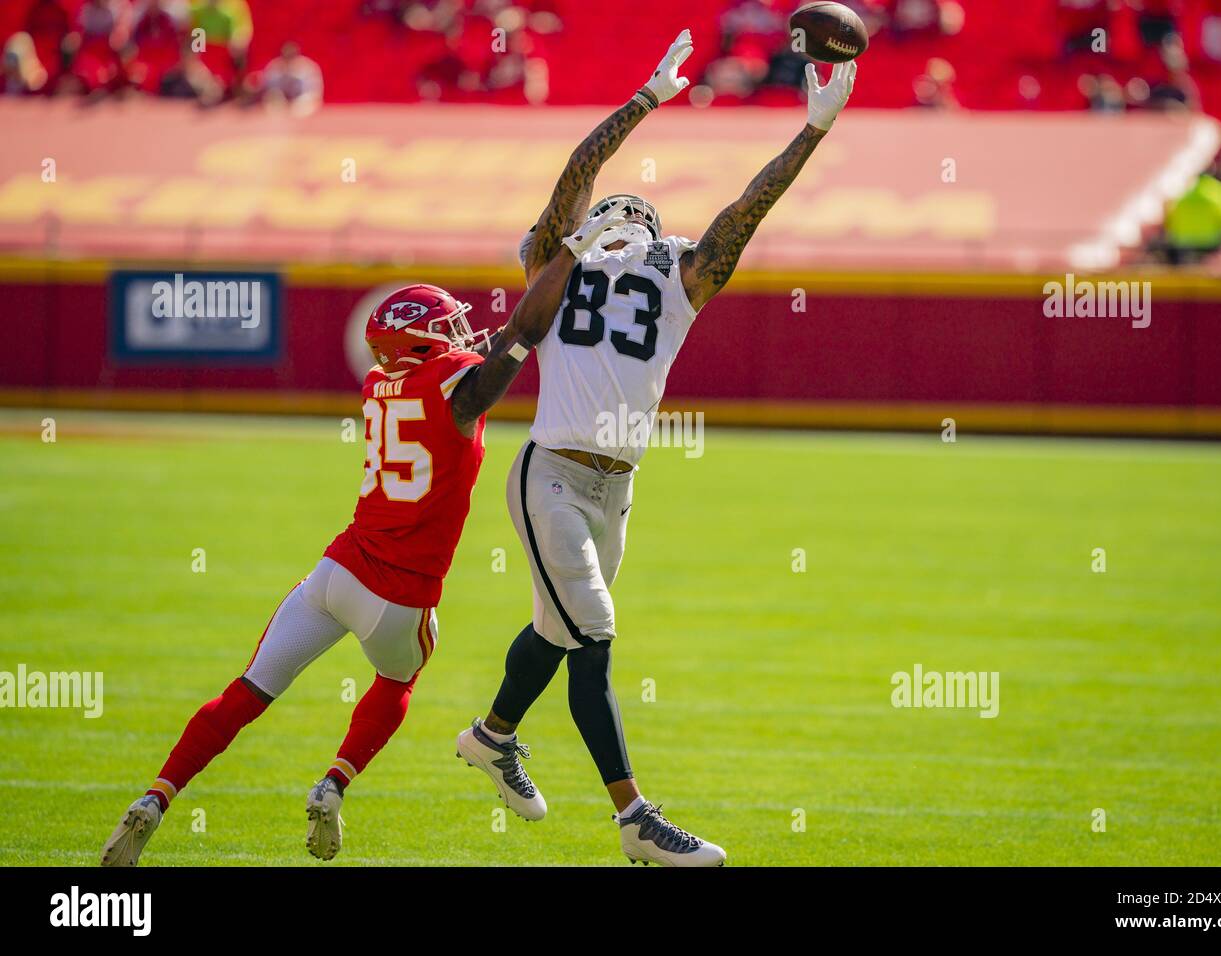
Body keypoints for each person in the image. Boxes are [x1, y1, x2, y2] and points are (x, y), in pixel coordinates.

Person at [98, 211, 626, 866]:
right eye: (447, 329)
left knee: (244, 693)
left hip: (336, 572)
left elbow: (472, 355)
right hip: (399, 596)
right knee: (397, 683)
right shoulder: (452, 389)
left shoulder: (378, 385)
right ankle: (334, 781)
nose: (461, 333)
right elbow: (513, 343)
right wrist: (565, 259)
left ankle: (158, 794)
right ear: (427, 344)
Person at [456, 30, 856, 866]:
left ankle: (492, 737)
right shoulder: (557, 266)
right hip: (552, 474)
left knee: (558, 634)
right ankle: (637, 820)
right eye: (610, 213)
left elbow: (746, 211)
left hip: (616, 491)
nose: (626, 217)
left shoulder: (677, 281)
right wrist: (643, 101)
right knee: (594, 630)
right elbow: (574, 177)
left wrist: (813, 131)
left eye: (639, 215)